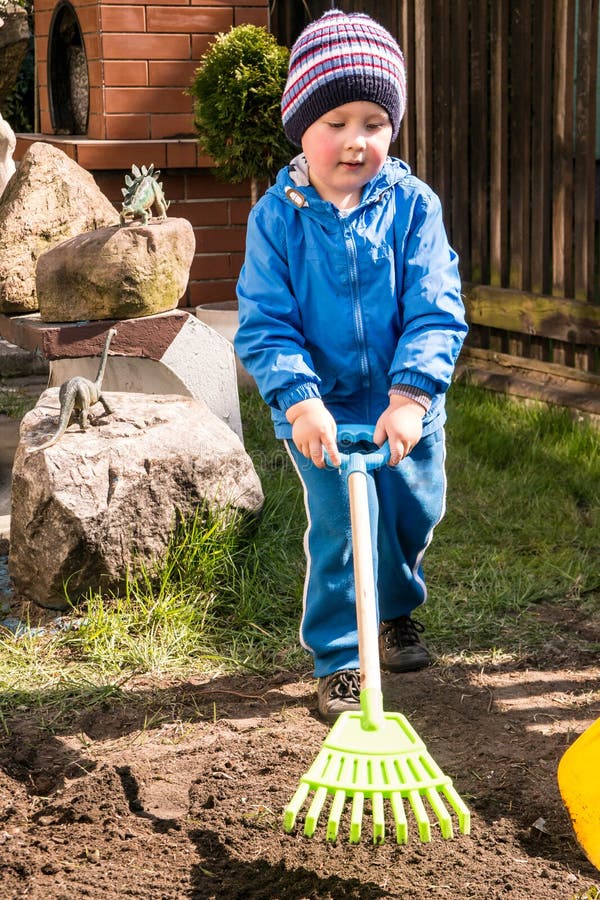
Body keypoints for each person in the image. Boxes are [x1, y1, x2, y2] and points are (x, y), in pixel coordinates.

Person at [234, 9, 468, 723]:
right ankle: (341, 658)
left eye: (374, 121)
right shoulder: (276, 219)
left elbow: (436, 308)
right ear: (301, 126)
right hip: (324, 414)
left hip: (406, 409)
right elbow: (267, 322)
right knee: (342, 528)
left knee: (410, 517)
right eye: (336, 121)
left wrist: (412, 394)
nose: (356, 139)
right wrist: (300, 401)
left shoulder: (413, 208)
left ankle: (394, 611)